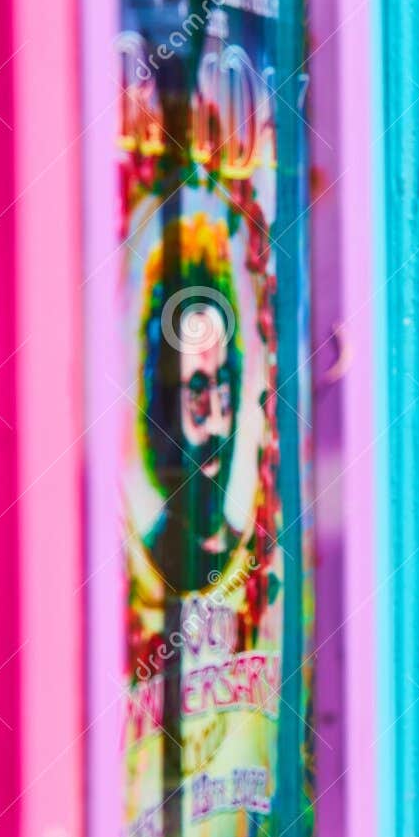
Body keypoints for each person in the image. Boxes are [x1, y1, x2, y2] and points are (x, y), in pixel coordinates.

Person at [139, 217, 244, 594]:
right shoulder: (149, 561)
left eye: (224, 389)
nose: (216, 421)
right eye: (196, 392)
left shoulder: (249, 549)